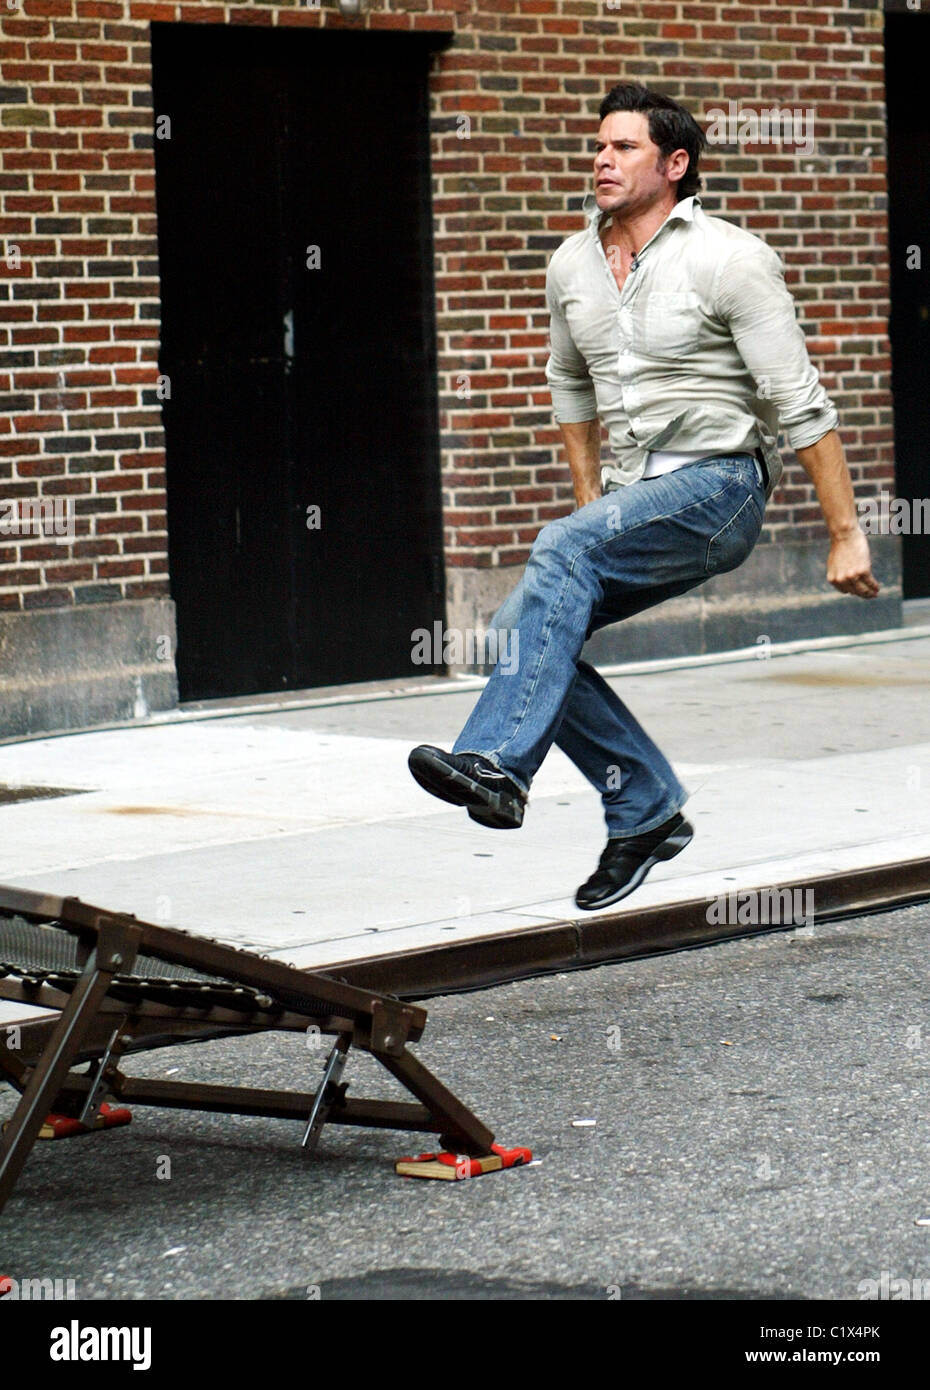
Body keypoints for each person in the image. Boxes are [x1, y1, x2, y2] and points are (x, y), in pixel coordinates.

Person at [409, 82, 879, 911]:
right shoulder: (572, 263)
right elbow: (570, 386)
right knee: (519, 631)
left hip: (720, 486)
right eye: (599, 145)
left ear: (676, 163)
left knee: (558, 551)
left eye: (624, 147)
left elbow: (801, 400)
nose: (602, 158)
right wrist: (592, 504)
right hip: (634, 496)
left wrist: (846, 532)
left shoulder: (730, 259)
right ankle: (645, 807)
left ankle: (497, 767)